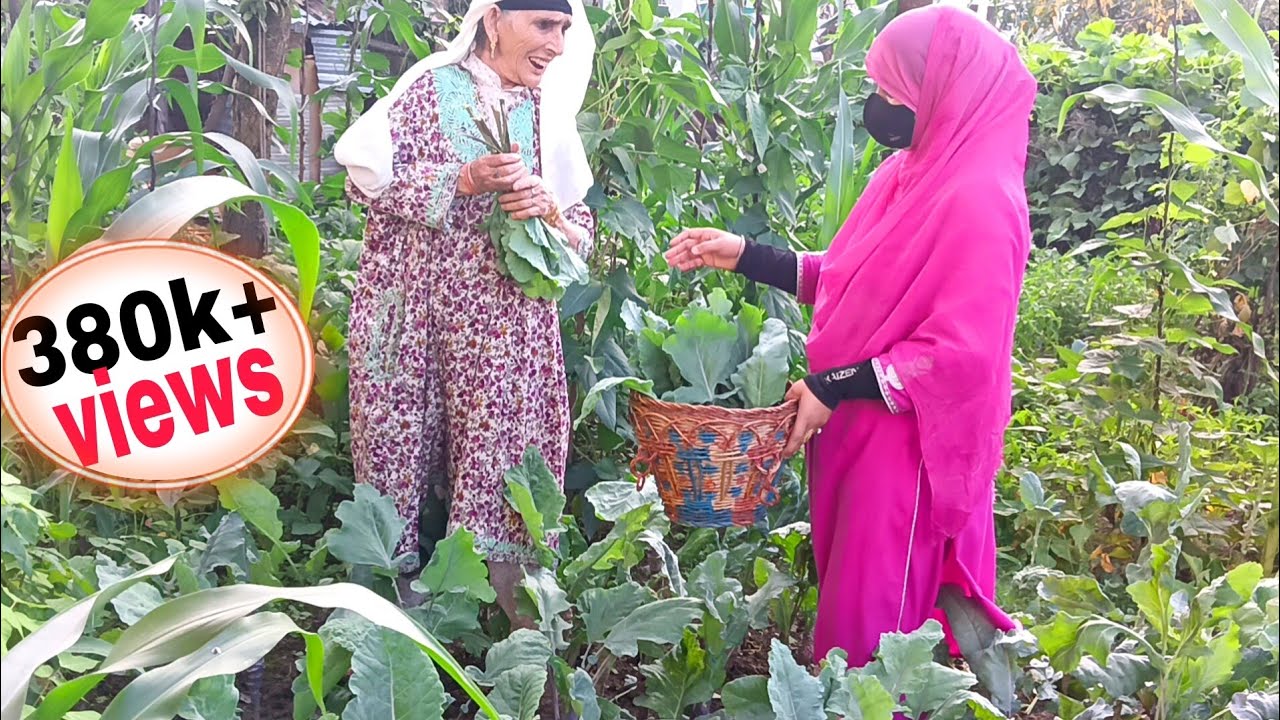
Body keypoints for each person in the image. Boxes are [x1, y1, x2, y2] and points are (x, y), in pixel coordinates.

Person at [664, 4, 1036, 665]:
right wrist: (746, 254)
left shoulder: (980, 198)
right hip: (859, 432)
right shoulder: (913, 172)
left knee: (879, 621)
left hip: (907, 447)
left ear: (945, 91)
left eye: (896, 93)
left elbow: (962, 357)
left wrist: (833, 383)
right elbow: (853, 277)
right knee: (851, 604)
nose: (881, 106)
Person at [332, 0, 597, 621]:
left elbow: (581, 228)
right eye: (542, 26)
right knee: (393, 450)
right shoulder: (429, 88)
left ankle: (497, 621)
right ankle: (384, 620)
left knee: (502, 458)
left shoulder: (547, 111)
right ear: (495, 17)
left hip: (503, 328)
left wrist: (550, 212)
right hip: (415, 311)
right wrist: (463, 179)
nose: (556, 45)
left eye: (564, 30)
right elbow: (363, 180)